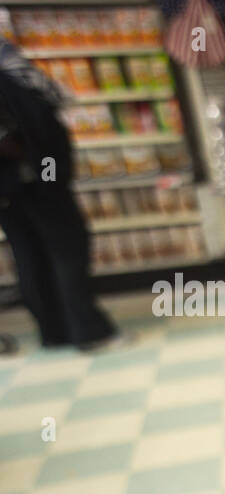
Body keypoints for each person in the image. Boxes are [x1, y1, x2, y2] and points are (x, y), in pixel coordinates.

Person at [0, 38, 119, 351]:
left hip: (8, 187)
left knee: (27, 252)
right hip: (37, 170)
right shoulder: (4, 56)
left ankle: (53, 332)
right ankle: (89, 330)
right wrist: (51, 176)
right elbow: (52, 97)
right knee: (67, 247)